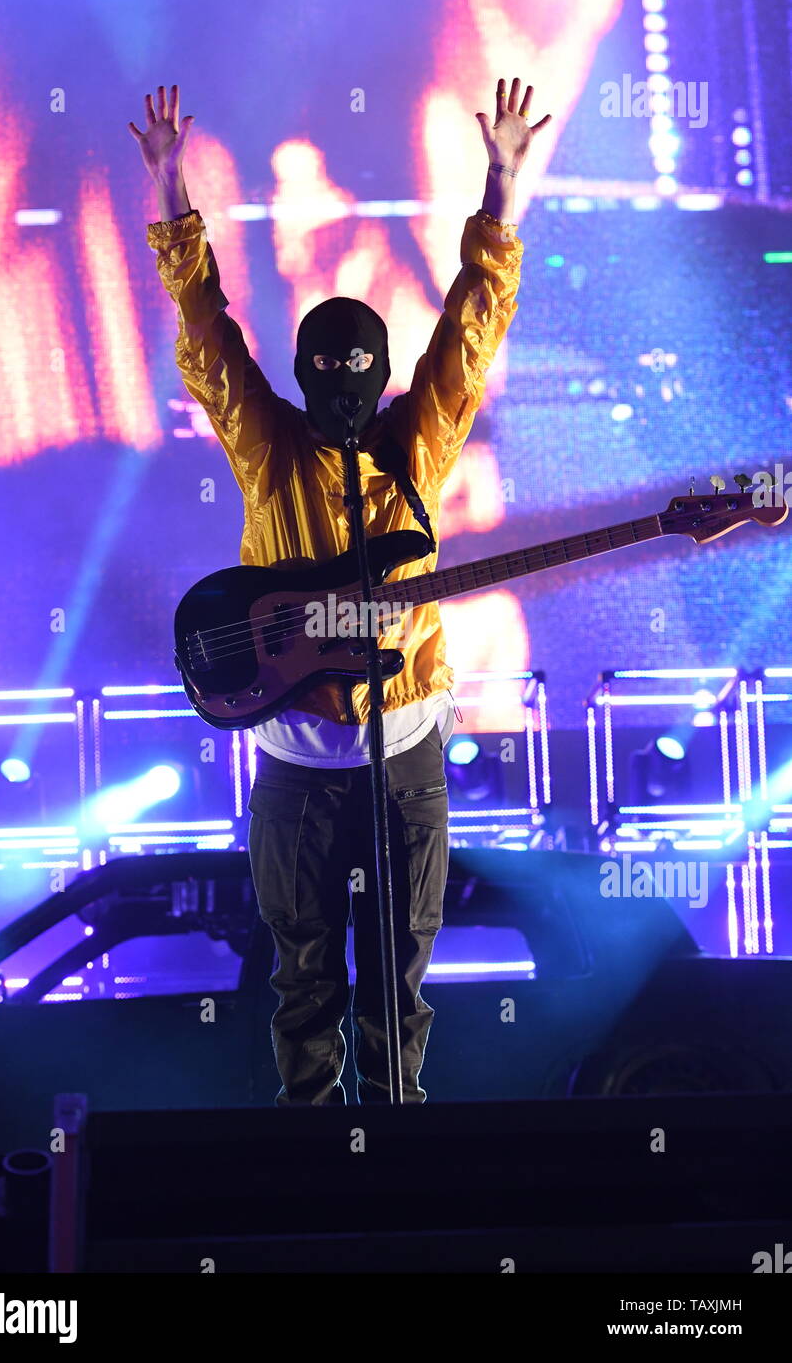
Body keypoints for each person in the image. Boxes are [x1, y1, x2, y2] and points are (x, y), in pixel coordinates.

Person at [130, 79, 550, 1104]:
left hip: (401, 757)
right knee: (304, 984)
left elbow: (471, 329)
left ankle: (396, 1153)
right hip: (292, 767)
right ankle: (313, 1171)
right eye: (332, 371)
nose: (345, 392)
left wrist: (499, 183)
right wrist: (167, 184)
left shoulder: (416, 447)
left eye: (358, 372)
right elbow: (208, 336)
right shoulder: (269, 449)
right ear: (311, 371)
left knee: (397, 987)